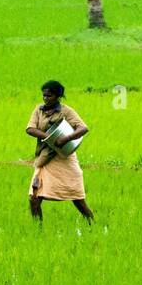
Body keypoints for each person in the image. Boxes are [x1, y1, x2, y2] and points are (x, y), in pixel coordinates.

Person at [25, 80, 94, 222]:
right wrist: (49, 137)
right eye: (44, 95)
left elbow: (83, 128)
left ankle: (92, 224)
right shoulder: (39, 110)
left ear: (58, 96)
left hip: (64, 159)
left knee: (78, 199)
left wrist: (65, 139)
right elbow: (30, 129)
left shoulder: (66, 111)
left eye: (49, 96)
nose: (45, 98)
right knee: (34, 197)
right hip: (44, 158)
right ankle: (37, 231)